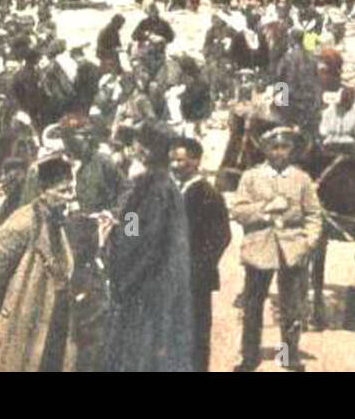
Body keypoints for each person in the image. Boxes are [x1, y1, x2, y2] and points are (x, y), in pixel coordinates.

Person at [229, 126, 322, 372]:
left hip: (291, 249)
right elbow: (238, 211)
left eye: (285, 147)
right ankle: (249, 356)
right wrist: (265, 208)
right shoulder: (251, 177)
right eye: (275, 147)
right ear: (265, 149)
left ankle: (289, 354)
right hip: (259, 248)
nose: (280, 152)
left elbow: (313, 214)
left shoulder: (301, 178)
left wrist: (308, 242)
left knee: (291, 306)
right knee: (252, 305)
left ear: (292, 150)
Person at [104, 121, 194, 372]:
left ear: (145, 152)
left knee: (141, 355)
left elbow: (138, 239)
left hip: (145, 290)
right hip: (158, 288)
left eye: (136, 146)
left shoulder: (150, 189)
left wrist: (121, 274)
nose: (132, 150)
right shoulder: (161, 186)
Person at [0, 154, 79, 372]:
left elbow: (130, 225)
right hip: (26, 316)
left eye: (71, 189)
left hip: (57, 315)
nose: (71, 197)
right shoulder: (22, 224)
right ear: (44, 190)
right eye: (63, 191)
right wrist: (3, 312)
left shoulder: (66, 221)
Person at [171, 136, 231, 373]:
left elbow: (221, 237)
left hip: (195, 280)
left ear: (196, 161)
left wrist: (197, 268)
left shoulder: (208, 193)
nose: (176, 165)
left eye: (181, 161)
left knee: (196, 335)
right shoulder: (171, 190)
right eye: (173, 161)